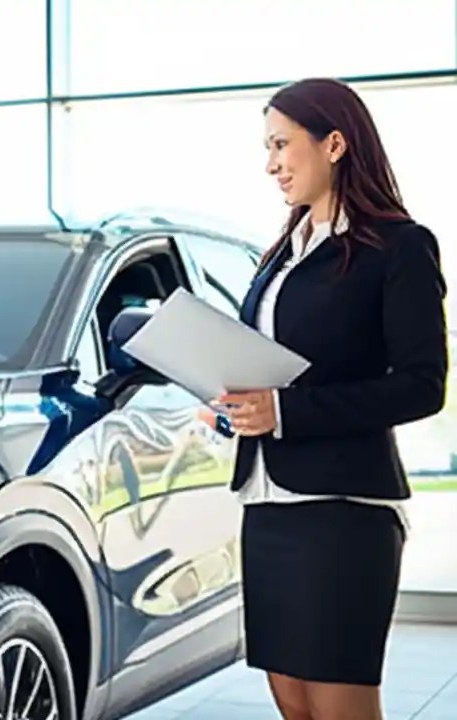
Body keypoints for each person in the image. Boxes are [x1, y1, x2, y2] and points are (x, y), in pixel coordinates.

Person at [216, 77, 446, 720]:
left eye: (282, 144)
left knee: (339, 701)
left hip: (343, 510)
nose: (271, 164)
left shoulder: (399, 247)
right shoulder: (283, 255)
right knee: (291, 697)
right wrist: (232, 400)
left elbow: (423, 385)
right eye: (267, 147)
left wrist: (285, 412)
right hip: (267, 501)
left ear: (335, 143)